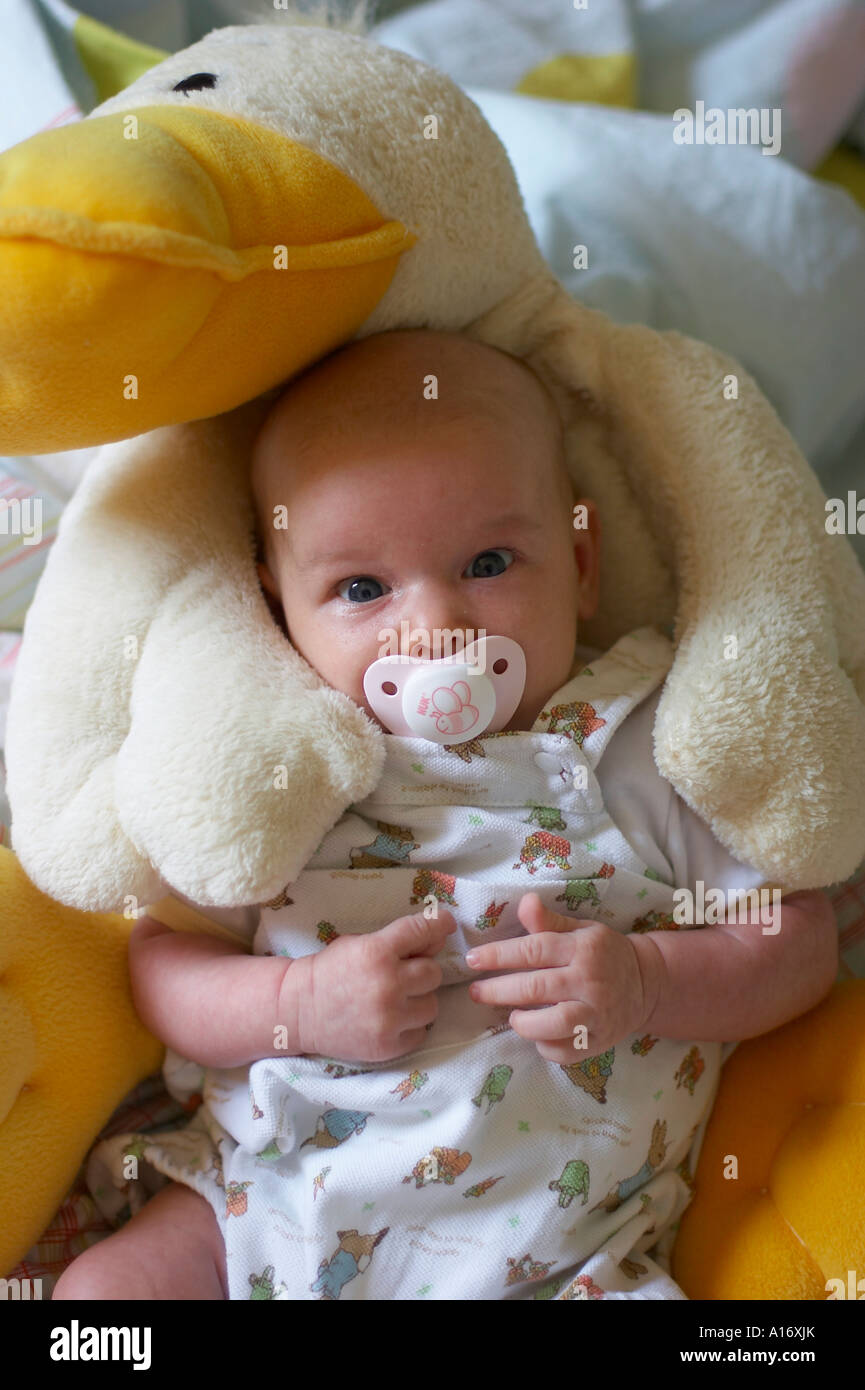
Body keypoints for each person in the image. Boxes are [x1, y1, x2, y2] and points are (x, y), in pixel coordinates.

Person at [55, 330, 837, 1301]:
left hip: (554, 1255)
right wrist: (293, 1006)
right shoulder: (280, 761)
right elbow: (163, 963)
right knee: (103, 1298)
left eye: (488, 560)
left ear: (581, 561)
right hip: (270, 1204)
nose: (432, 624)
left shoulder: (631, 739)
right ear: (278, 607)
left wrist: (645, 982)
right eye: (360, 588)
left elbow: (797, 937)